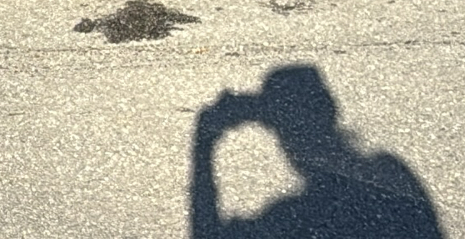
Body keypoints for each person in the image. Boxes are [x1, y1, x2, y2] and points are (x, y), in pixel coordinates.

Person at [190, 65, 444, 239]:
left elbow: (207, 232)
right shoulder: (391, 173)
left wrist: (204, 145)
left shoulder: (296, 218)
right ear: (331, 112)